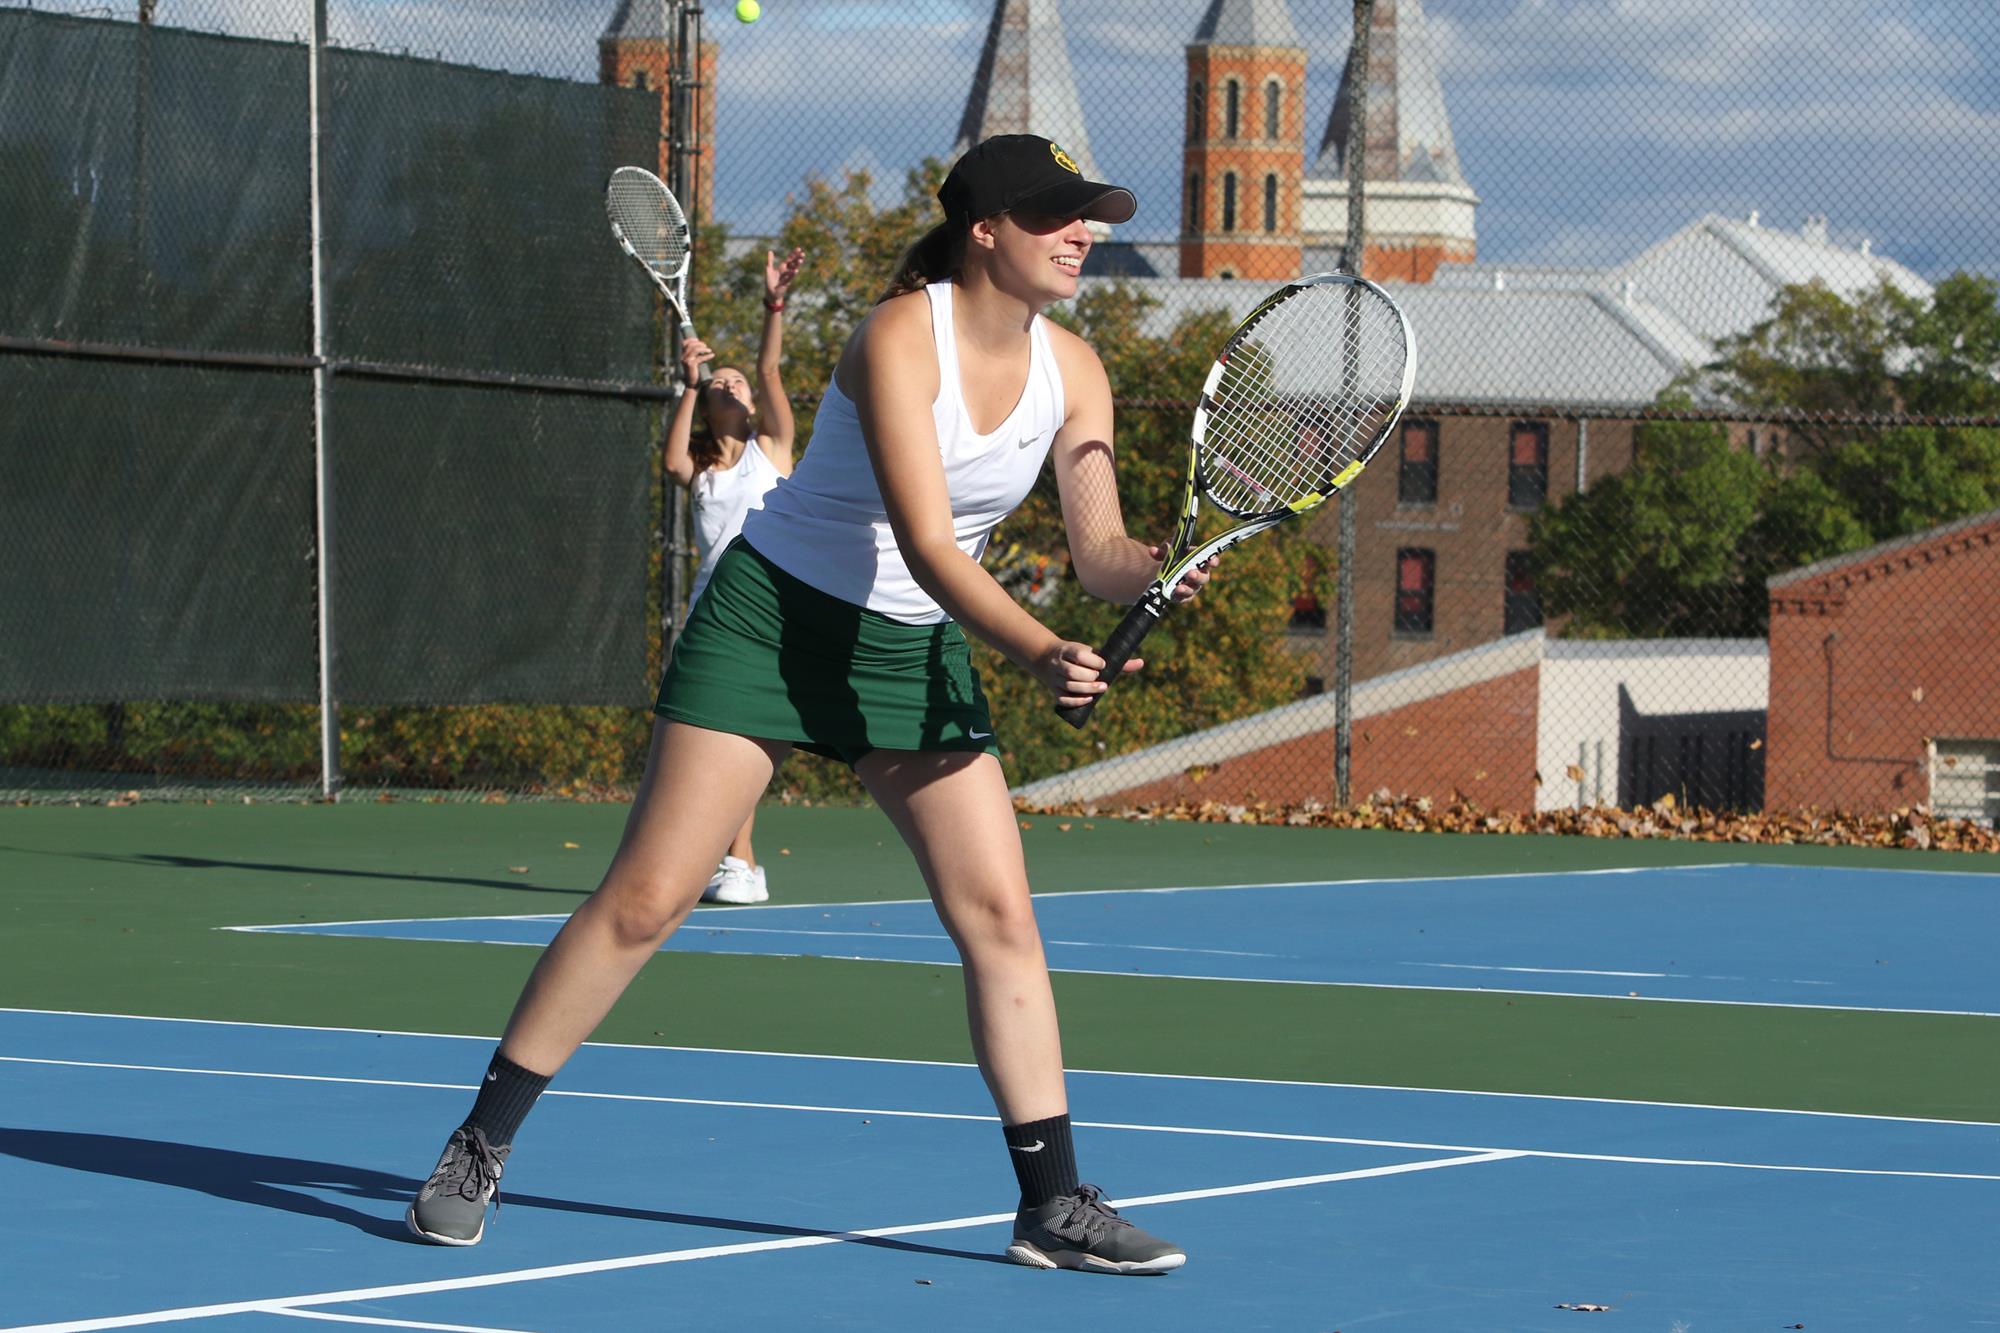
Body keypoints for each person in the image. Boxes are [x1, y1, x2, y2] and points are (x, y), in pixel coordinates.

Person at [406, 134, 1214, 1275]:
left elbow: (1097, 553)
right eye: (1056, 216)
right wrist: (1037, 653)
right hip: (775, 625)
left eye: (1089, 215)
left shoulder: (1075, 370)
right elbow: (929, 544)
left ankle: (1050, 1206)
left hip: (912, 654)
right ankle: (475, 1148)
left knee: (1000, 918)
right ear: (984, 229)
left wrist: (1158, 567)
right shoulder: (897, 337)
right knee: (645, 899)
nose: (1082, 233)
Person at [664, 245, 806, 905]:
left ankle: (739, 860)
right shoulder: (702, 472)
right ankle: (734, 860)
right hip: (711, 618)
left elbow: (771, 366)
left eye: (736, 383)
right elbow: (672, 460)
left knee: (746, 735)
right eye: (722, 385)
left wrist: (773, 303)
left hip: (773, 614)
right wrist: (689, 385)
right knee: (712, 739)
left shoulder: (772, 451)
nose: (733, 384)